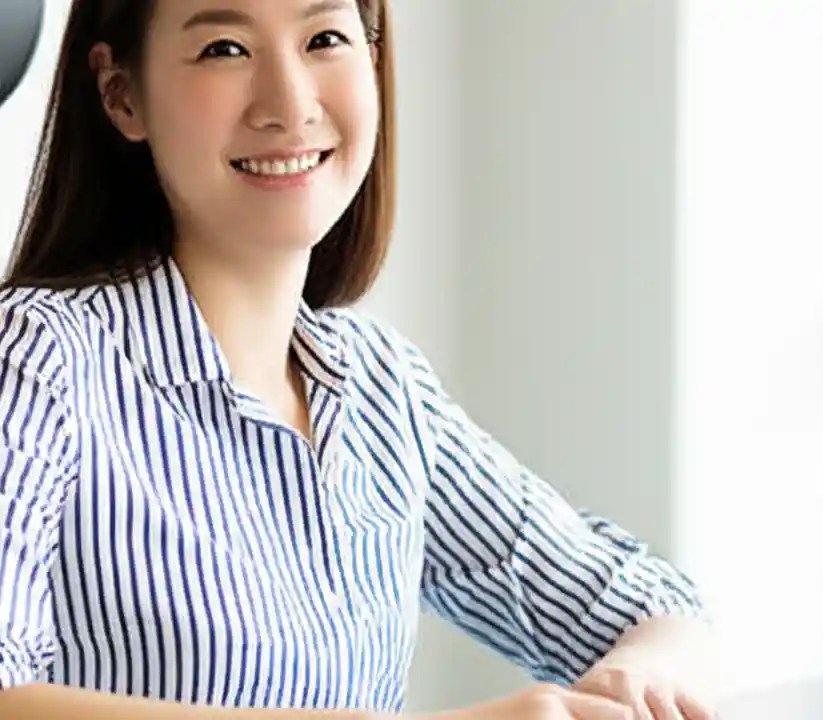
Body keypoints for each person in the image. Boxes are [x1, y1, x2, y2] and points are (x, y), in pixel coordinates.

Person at [0, 1, 718, 718]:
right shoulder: (38, 361)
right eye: (224, 48)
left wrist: (632, 684)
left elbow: (649, 605)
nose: (290, 103)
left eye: (324, 39)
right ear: (122, 95)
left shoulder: (378, 386)